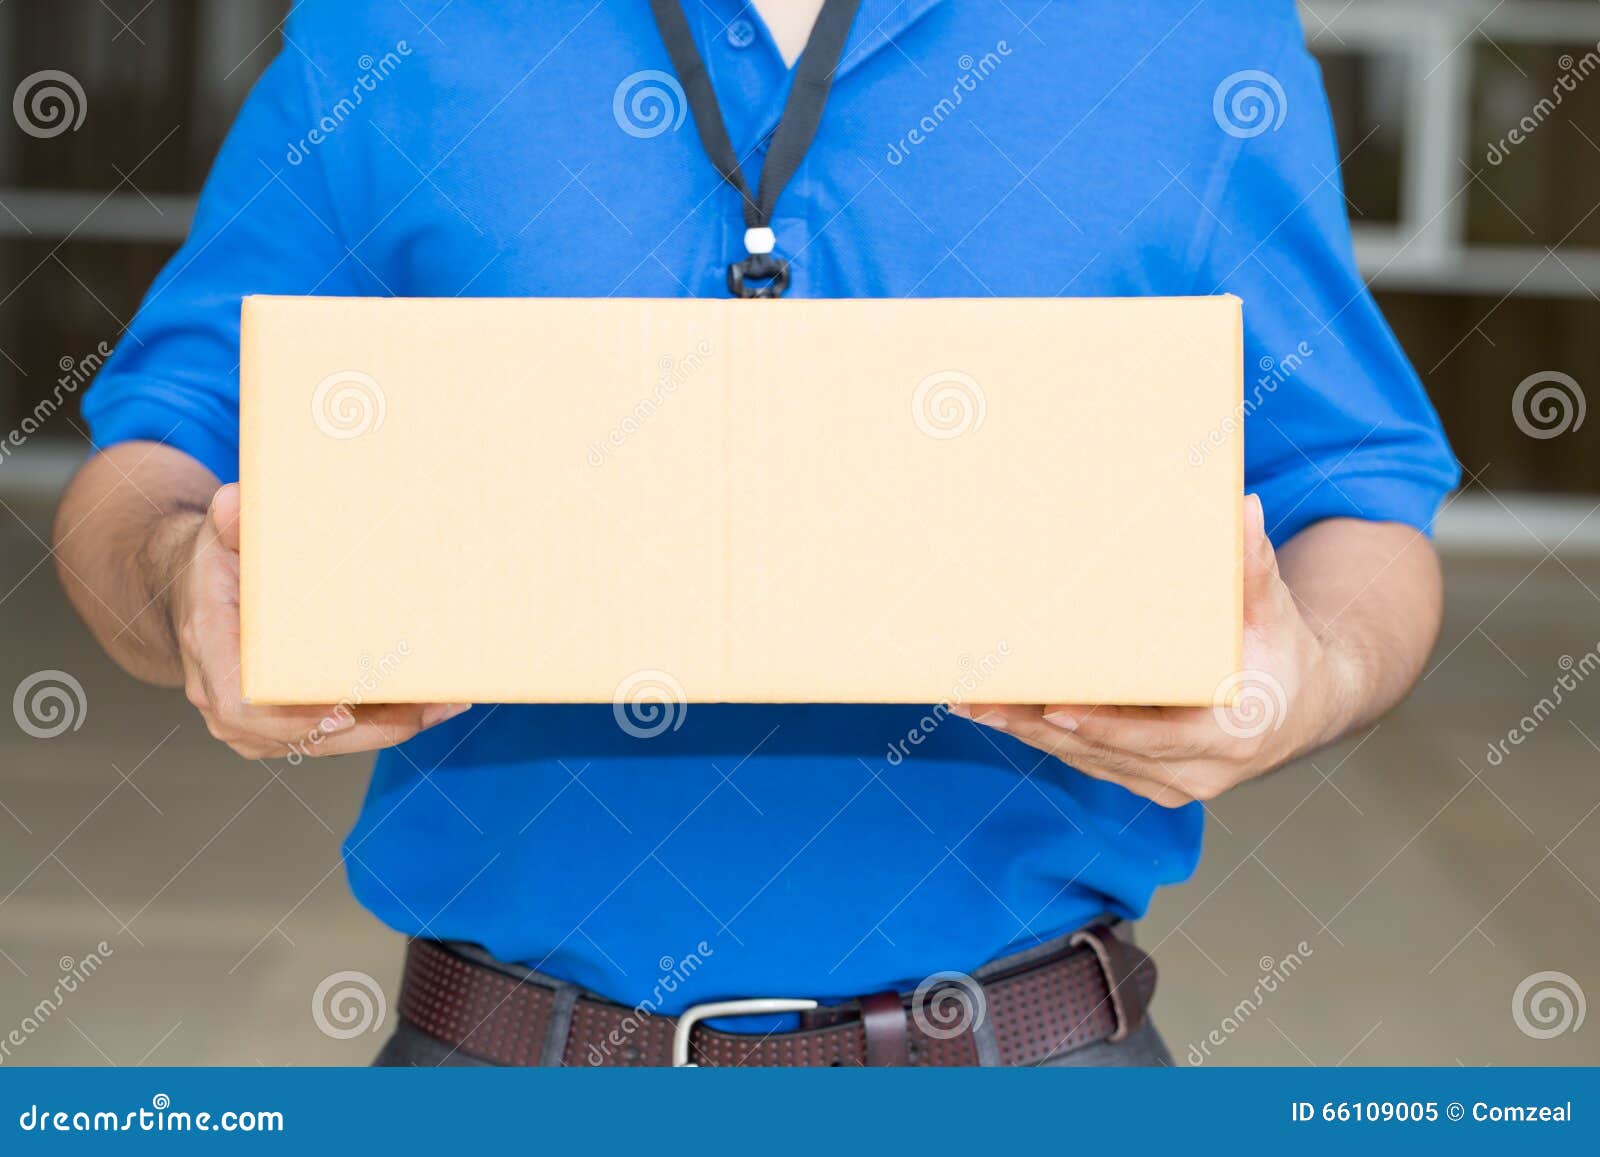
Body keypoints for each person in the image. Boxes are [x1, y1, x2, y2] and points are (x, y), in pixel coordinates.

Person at [54, 0, 1457, 1067]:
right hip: (499, 1064)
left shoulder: (1191, 33)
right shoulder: (393, 26)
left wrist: (1316, 672)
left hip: (1031, 1061)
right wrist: (184, 580)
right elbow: (148, 467)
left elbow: (1355, 489)